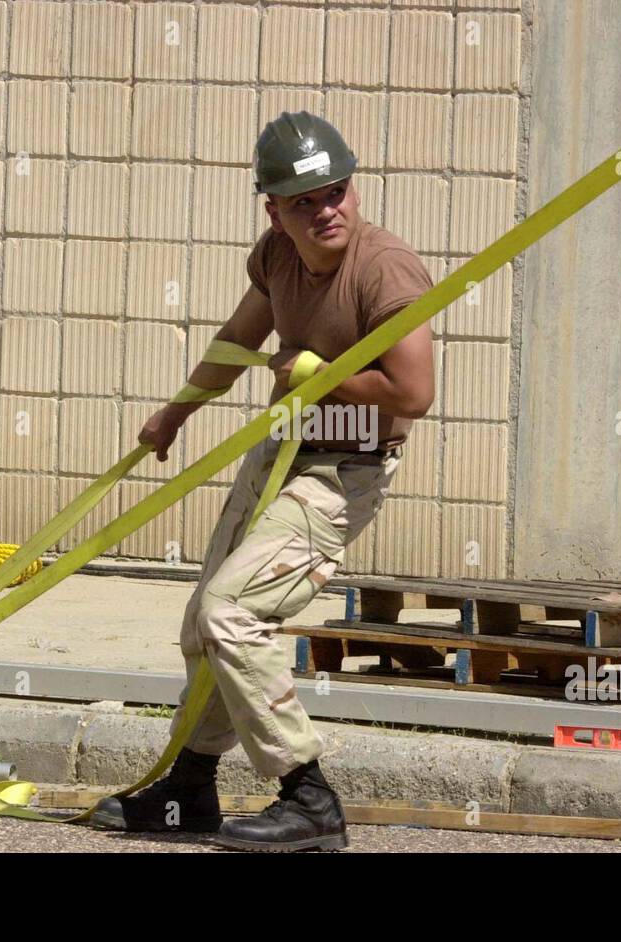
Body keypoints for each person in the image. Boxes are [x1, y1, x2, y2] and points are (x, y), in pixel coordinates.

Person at [92, 112, 435, 851]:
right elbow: (238, 338)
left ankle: (309, 796)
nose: (326, 211)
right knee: (202, 624)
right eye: (305, 200)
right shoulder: (277, 255)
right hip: (280, 454)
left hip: (345, 470)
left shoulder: (385, 269)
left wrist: (324, 376)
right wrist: (177, 412)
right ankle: (189, 789)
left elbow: (412, 395)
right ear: (275, 209)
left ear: (352, 187)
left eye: (336, 192)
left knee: (233, 613)